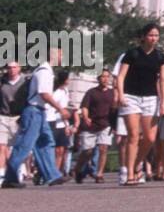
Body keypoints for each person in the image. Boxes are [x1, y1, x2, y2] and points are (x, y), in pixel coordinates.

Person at [2, 49, 69, 188]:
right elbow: (44, 94)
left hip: (38, 111)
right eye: (61, 55)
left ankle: (52, 175)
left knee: (45, 142)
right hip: (34, 112)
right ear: (52, 56)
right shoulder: (44, 71)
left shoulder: (46, 70)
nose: (62, 57)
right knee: (24, 145)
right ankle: (11, 178)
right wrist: (60, 109)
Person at [116, 22, 164, 185]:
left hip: (151, 98)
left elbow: (163, 79)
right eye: (151, 35)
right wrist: (120, 94)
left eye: (156, 36)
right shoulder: (132, 54)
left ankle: (138, 163)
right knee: (133, 135)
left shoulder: (160, 56)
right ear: (144, 37)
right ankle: (130, 174)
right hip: (131, 97)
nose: (154, 38)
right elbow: (120, 76)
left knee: (150, 138)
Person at [73, 69, 115, 184]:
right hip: (91, 125)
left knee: (103, 148)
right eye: (103, 77)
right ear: (98, 79)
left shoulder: (112, 93)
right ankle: (77, 170)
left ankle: (99, 174)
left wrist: (115, 123)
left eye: (107, 77)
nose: (105, 79)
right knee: (88, 151)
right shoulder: (91, 92)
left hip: (106, 124)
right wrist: (86, 117)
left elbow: (115, 109)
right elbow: (84, 107)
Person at [0, 61, 25, 178]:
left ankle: (16, 172)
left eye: (14, 67)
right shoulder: (2, 82)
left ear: (19, 68)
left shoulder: (25, 82)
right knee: (1, 146)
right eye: (9, 68)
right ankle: (1, 174)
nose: (12, 70)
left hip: (18, 117)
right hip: (3, 117)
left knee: (16, 147)